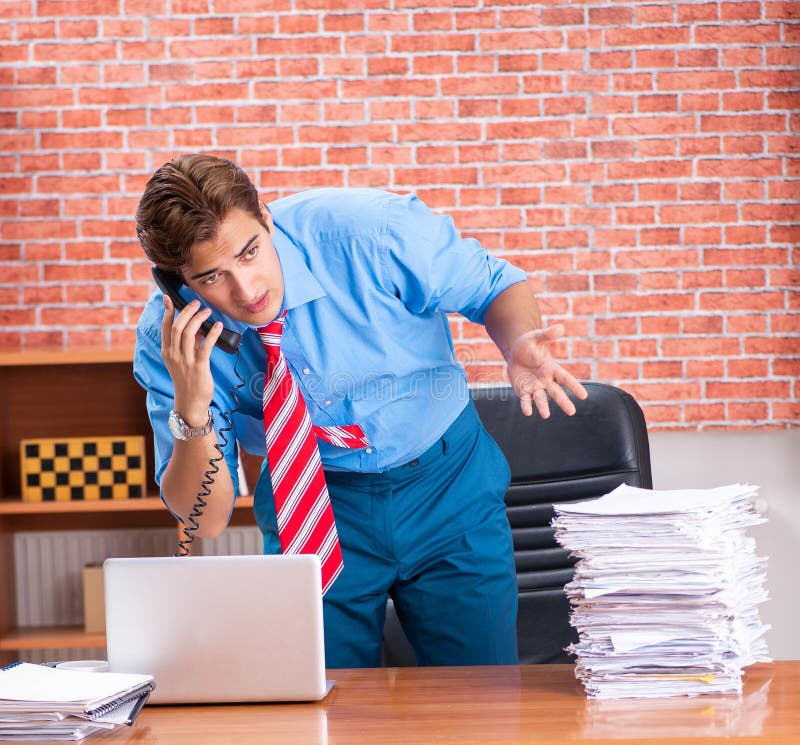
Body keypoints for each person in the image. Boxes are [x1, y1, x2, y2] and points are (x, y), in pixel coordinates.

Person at [133, 153, 588, 668]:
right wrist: (193, 409)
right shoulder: (168, 340)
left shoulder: (371, 233)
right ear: (176, 282)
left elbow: (494, 284)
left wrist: (520, 341)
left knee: (480, 702)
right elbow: (207, 519)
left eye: (250, 252)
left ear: (265, 215)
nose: (247, 289)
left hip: (446, 484)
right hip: (309, 504)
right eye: (212, 276)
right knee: (324, 709)